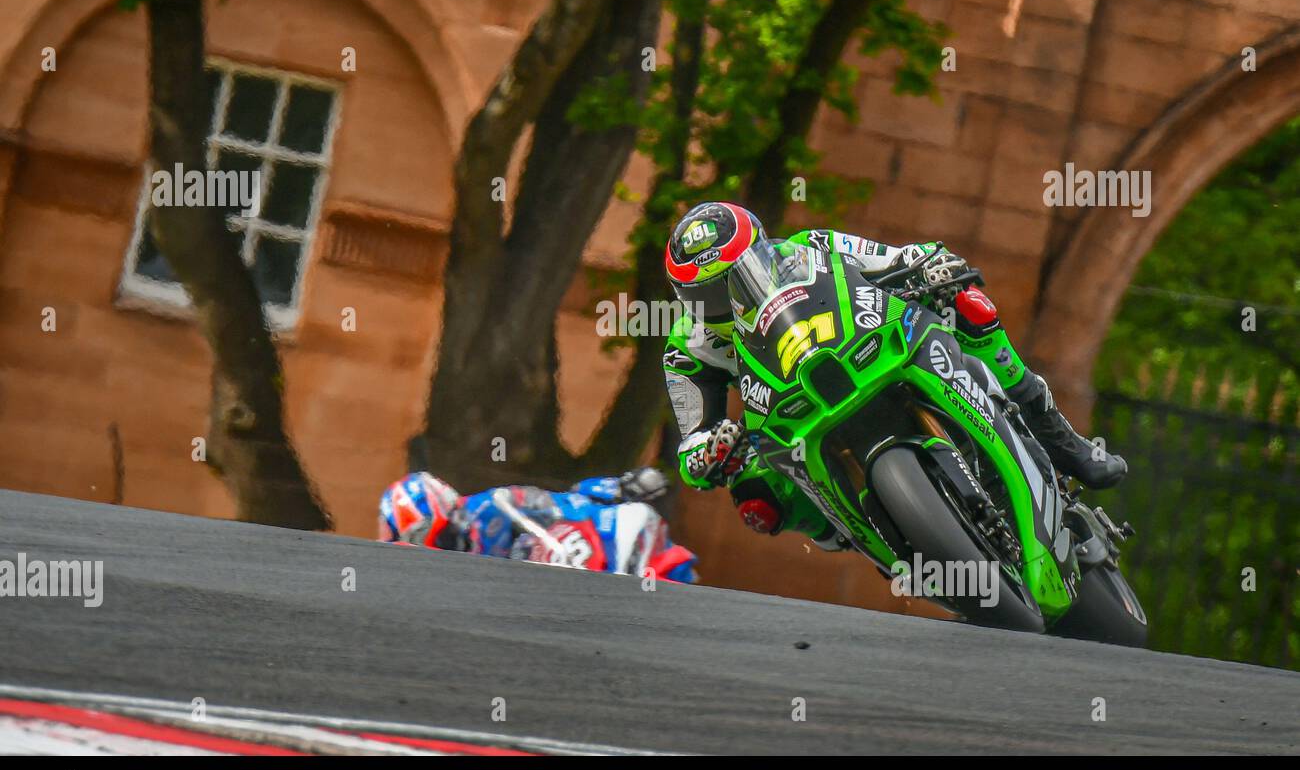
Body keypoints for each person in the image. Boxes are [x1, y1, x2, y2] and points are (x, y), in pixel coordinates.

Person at [661, 200, 1127, 547]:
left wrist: (928, 265)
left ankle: (1059, 438)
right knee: (752, 493)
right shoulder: (688, 348)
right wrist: (708, 450)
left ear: (762, 250)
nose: (730, 298)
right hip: (789, 414)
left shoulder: (811, 248)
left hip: (865, 351)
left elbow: (892, 258)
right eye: (710, 295)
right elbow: (691, 444)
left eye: (737, 277)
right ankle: (844, 533)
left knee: (968, 304)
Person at [377, 468, 695, 582]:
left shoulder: (486, 506)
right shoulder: (435, 582)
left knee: (630, 515)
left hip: (571, 553)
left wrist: (617, 488)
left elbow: (551, 502)